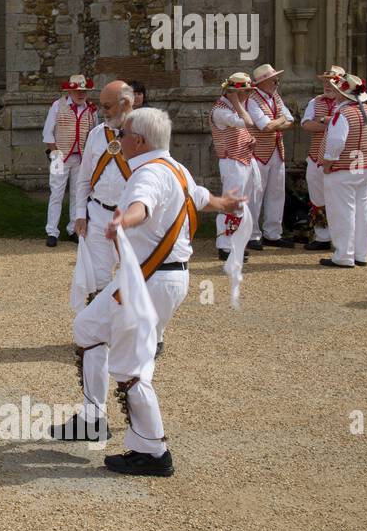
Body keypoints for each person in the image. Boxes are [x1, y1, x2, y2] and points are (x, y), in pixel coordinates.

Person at [58, 107, 244, 473]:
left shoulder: (147, 174)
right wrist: (225, 203)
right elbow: (200, 196)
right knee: (88, 327)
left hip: (147, 281)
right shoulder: (175, 168)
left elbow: (142, 206)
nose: (119, 139)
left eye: (123, 134)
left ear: (139, 140)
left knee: (132, 366)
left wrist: (122, 220)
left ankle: (153, 452)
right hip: (158, 279)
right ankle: (93, 418)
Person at [71, 81, 135, 297]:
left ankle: (130, 324)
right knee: (98, 278)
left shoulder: (144, 133)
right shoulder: (97, 134)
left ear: (125, 103)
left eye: (107, 106)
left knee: (132, 275)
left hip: (131, 217)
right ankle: (102, 323)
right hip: (97, 213)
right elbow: (83, 179)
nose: (102, 111)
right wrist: (80, 215)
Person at [320, 73, 367, 269]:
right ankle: (361, 254)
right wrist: (364, 151)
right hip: (366, 169)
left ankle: (343, 256)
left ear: (341, 94)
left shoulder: (342, 114)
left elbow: (336, 142)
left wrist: (327, 163)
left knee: (342, 212)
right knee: (362, 211)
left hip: (343, 169)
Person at [209, 73, 262, 261]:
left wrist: (249, 139)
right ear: (233, 92)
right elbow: (247, 122)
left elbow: (244, 128)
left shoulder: (232, 108)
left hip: (243, 159)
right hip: (231, 161)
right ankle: (224, 247)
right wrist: (237, 101)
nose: (248, 95)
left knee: (241, 204)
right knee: (231, 204)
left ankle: (235, 243)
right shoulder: (221, 110)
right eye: (245, 92)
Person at [42, 75, 97, 247]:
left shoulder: (92, 109)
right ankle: (52, 231)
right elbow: (48, 132)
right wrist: (55, 152)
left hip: (81, 158)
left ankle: (73, 229)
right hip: (59, 156)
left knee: (78, 193)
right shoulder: (58, 106)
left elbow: (94, 134)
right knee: (56, 192)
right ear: (70, 91)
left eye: (84, 91)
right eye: (77, 91)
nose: (81, 94)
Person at [245, 63, 294, 250]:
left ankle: (273, 233)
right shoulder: (252, 100)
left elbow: (291, 120)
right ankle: (252, 234)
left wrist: (278, 122)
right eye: (274, 80)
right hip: (258, 152)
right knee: (256, 194)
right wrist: (281, 120)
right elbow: (265, 126)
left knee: (276, 192)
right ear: (263, 82)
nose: (277, 83)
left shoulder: (276, 98)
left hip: (276, 150)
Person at [300, 65, 345, 252]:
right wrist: (329, 124)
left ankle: (341, 238)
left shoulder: (347, 102)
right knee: (317, 195)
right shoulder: (314, 101)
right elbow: (306, 124)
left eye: (332, 81)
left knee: (339, 197)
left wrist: (325, 122)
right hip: (316, 155)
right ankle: (322, 236)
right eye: (325, 81)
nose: (327, 84)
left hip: (339, 158)